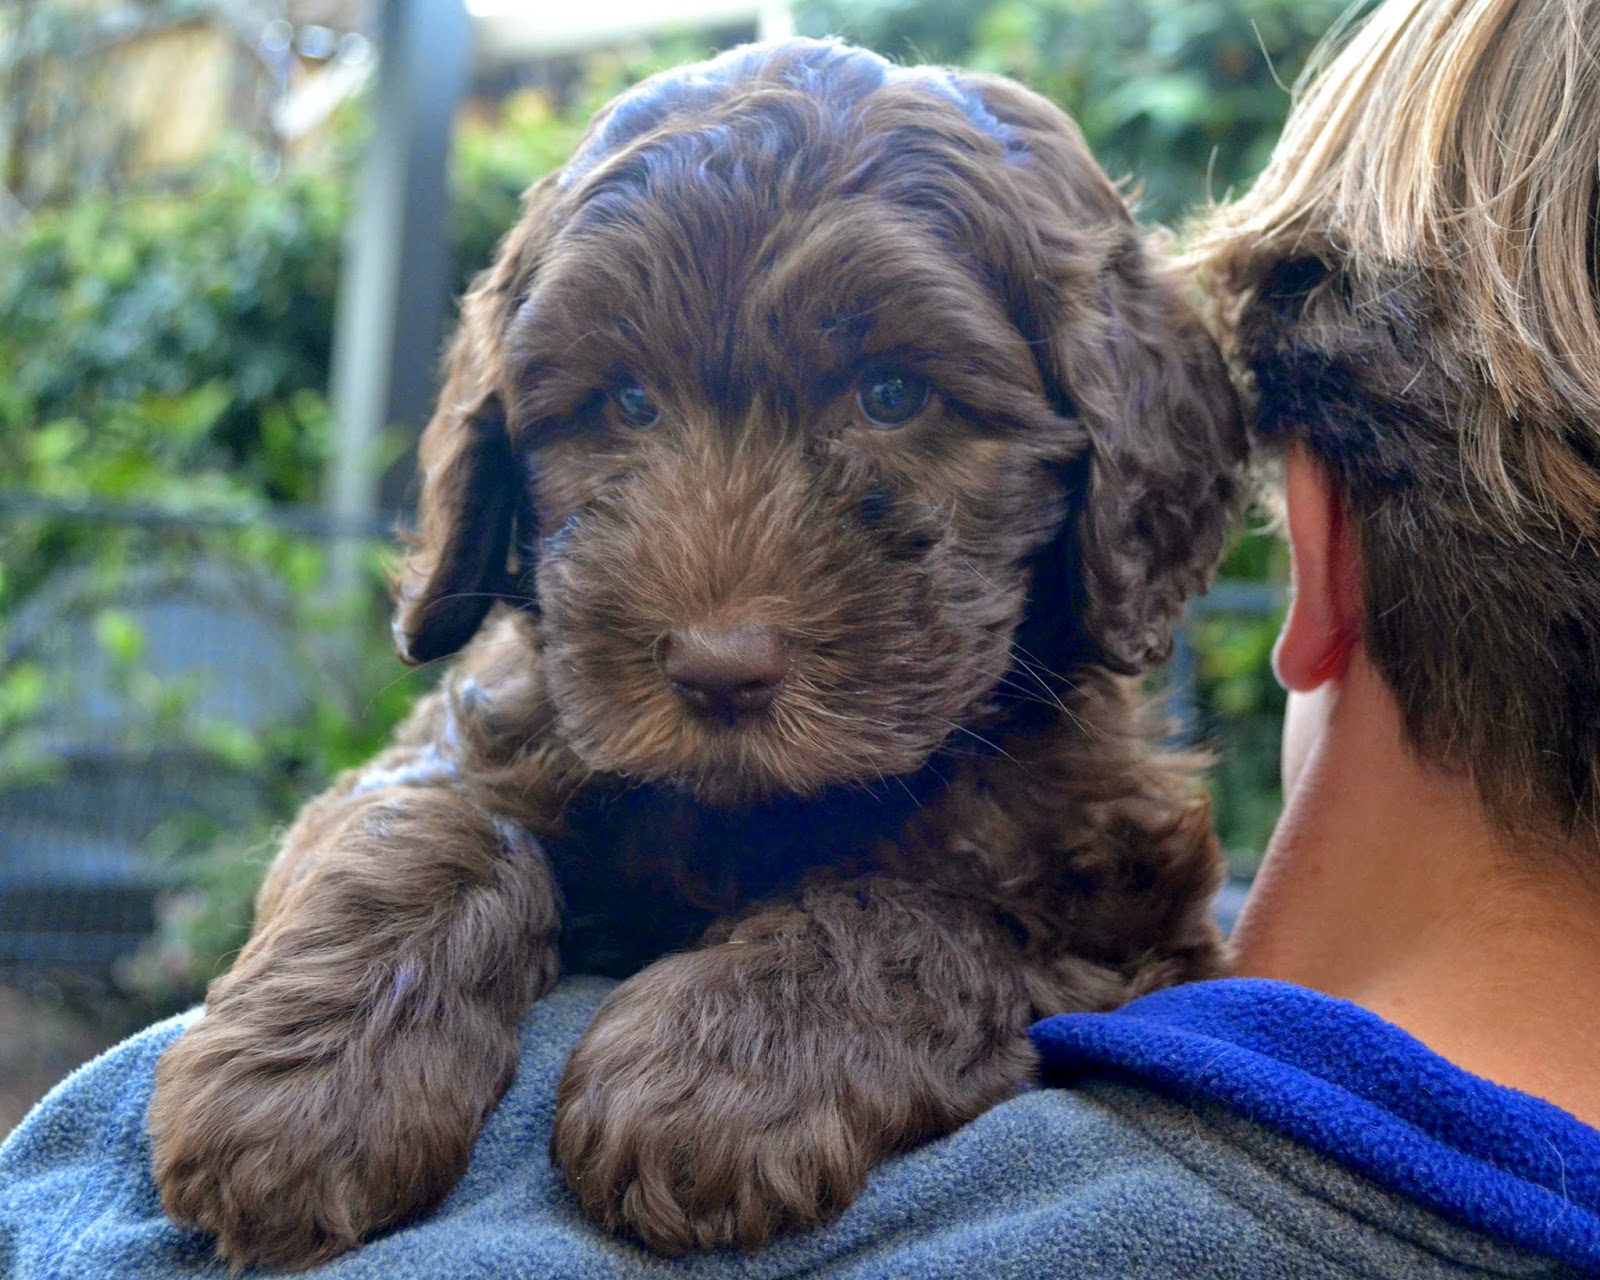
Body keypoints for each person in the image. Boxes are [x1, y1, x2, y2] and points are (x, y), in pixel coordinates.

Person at [2, 0, 1597, 1274]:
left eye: (898, 396)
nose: (721, 619)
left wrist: (887, 972)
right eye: (617, 407)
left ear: (1126, 472)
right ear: (497, 454)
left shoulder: (1070, 856)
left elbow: (1104, 940)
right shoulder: (519, 748)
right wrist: (424, 890)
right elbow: (444, 795)